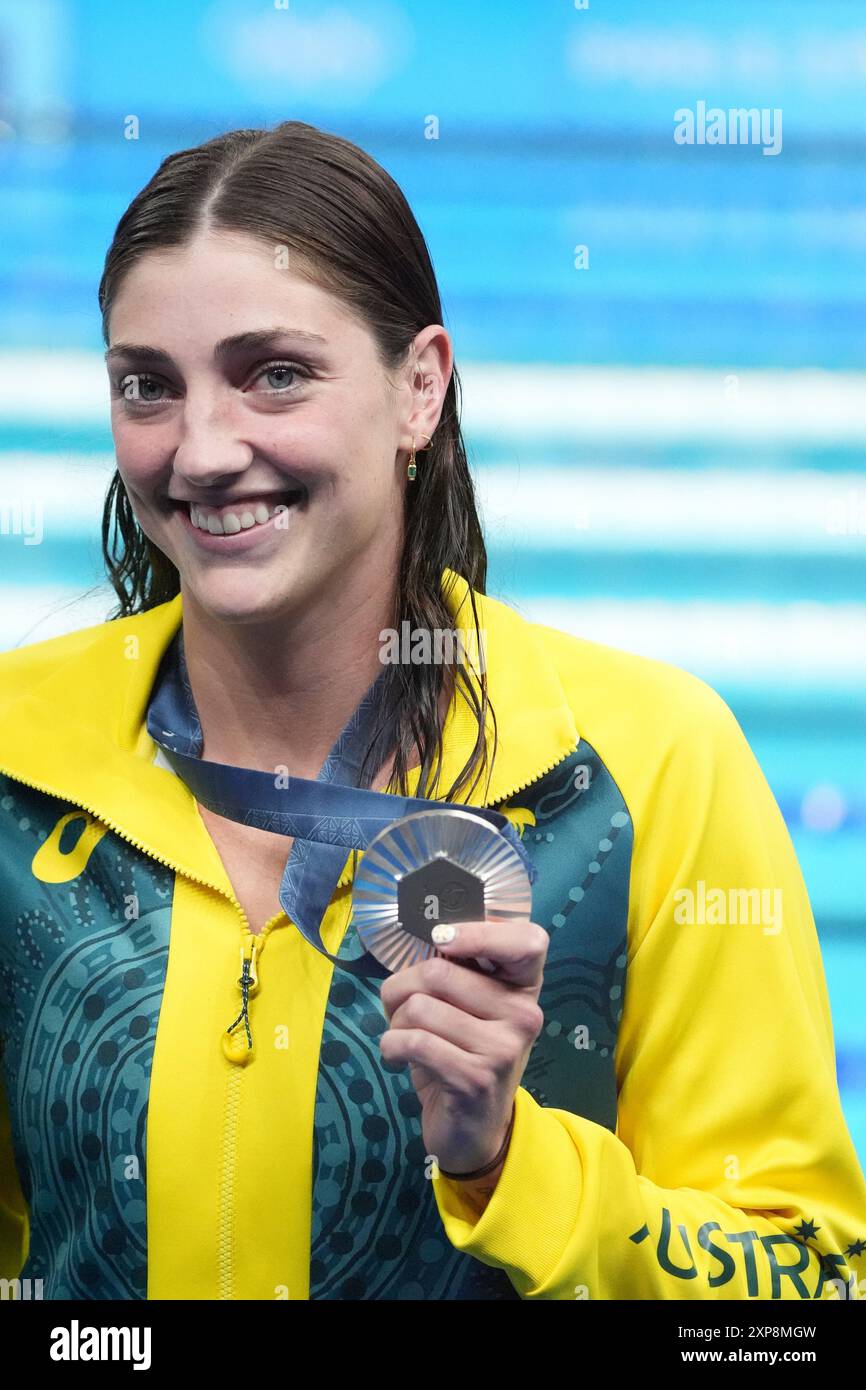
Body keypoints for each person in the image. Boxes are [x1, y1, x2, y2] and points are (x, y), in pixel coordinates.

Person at [0, 119, 864, 1303]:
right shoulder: (13, 759)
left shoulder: (643, 764)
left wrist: (514, 1162)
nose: (201, 450)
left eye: (275, 374)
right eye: (148, 385)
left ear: (419, 388)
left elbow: (805, 1292)